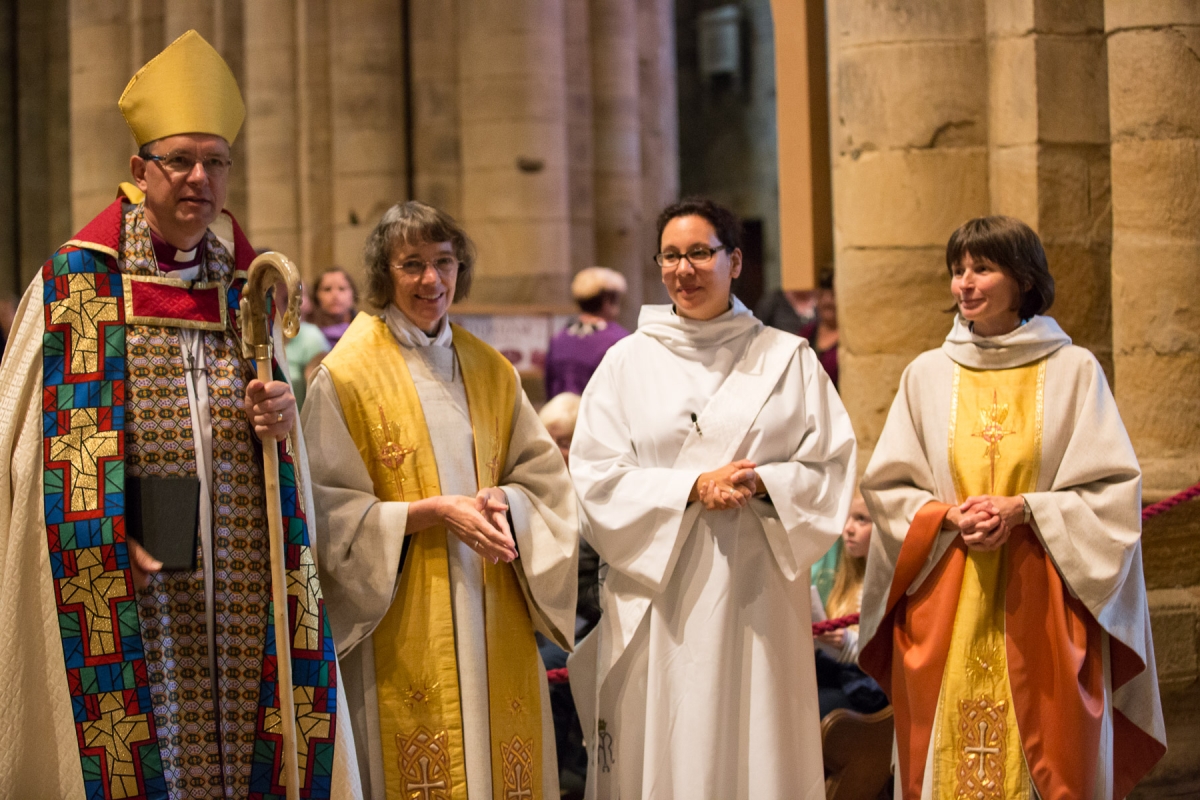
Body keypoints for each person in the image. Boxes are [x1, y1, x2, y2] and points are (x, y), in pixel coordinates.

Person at [0, 31, 360, 797]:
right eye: (181, 161)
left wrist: (280, 422)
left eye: (216, 162)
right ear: (140, 171)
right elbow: (29, 448)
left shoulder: (247, 285)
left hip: (239, 558)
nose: (200, 178)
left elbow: (279, 448)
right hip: (131, 558)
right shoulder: (77, 283)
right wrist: (109, 525)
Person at [858, 216, 1165, 800]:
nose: (965, 283)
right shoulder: (926, 375)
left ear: (1023, 279)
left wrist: (1027, 509)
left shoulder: (1075, 372)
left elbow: (1111, 494)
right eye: (958, 270)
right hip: (948, 599)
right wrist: (947, 517)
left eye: (982, 268)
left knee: (1051, 766)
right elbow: (890, 489)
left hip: (1044, 606)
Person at [567, 197, 857, 799]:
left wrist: (765, 483)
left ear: (736, 261)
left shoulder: (787, 360)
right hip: (662, 597)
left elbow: (830, 465)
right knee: (670, 745)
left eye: (700, 253)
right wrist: (693, 488)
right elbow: (594, 477)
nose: (684, 270)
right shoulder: (626, 363)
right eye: (671, 256)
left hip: (757, 597)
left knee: (757, 744)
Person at [301, 200, 579, 800]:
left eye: (444, 262)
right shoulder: (346, 376)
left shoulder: (491, 370)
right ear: (384, 274)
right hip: (399, 613)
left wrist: (507, 501)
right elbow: (325, 513)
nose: (432, 280)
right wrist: (431, 512)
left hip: (491, 598)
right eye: (412, 265)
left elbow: (545, 481)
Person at [536, 392, 599, 797]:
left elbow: (598, 585)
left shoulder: (597, 495)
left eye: (566, 441)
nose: (559, 452)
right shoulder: (536, 491)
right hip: (546, 621)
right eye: (551, 440)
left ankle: (565, 778)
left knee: (550, 663)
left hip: (590, 621)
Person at [813, 493, 887, 718]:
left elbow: (885, 656)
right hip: (836, 677)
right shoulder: (846, 582)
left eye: (861, 519)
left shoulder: (888, 586)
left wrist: (845, 643)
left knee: (818, 707)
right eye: (847, 519)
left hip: (869, 690)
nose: (848, 529)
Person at [543, 267, 630, 398]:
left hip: (561, 416)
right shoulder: (619, 339)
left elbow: (549, 387)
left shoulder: (559, 338)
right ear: (607, 302)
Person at [283, 280, 331, 409]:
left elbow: (319, 395)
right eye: (285, 298)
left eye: (298, 295)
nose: (291, 302)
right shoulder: (267, 336)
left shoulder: (312, 337)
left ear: (308, 303)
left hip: (300, 423)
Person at [799, 269, 838, 387]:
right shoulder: (807, 332)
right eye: (821, 295)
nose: (827, 301)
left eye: (833, 295)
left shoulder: (850, 337)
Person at [312, 266, 358, 347]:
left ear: (353, 295)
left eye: (342, 289)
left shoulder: (365, 331)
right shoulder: (308, 335)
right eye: (327, 289)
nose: (335, 295)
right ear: (316, 296)